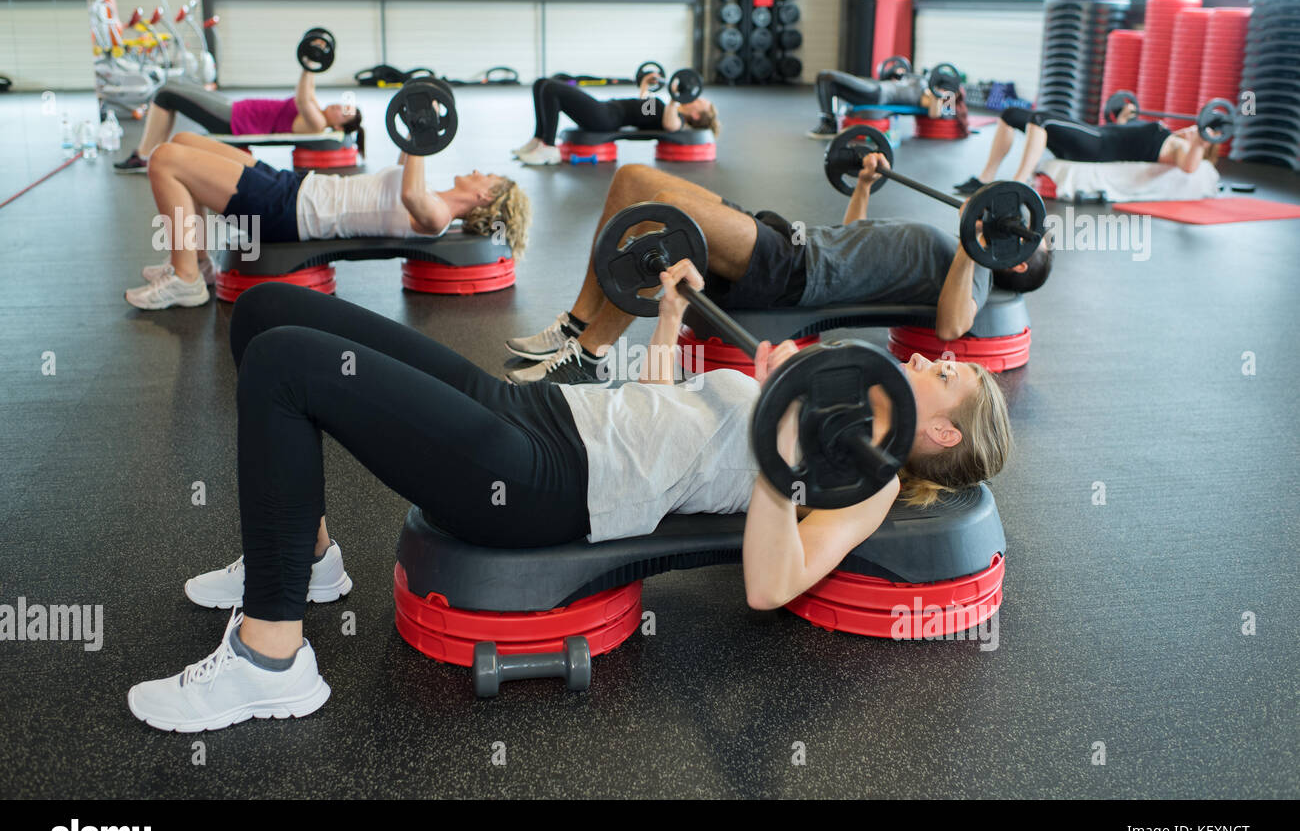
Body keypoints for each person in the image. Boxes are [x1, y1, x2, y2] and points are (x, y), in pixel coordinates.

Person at [125, 270, 1012, 732]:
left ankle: (272, 658)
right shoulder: (846, 396)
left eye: (952, 376)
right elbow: (680, 419)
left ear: (941, 436)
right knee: (269, 313)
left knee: (286, 368)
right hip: (544, 412)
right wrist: (670, 323)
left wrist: (782, 442)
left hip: (546, 484)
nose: (937, 358)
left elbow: (771, 584)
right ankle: (306, 560)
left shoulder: (871, 480)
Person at [505, 161, 1051, 385]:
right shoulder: (963, 250)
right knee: (632, 181)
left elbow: (954, 327)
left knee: (663, 214)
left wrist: (971, 247)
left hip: (793, 273)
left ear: (1016, 258)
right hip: (791, 239)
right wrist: (862, 187)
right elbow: (854, 240)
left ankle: (590, 359)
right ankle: (577, 324)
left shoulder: (975, 271)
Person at [125, 133, 529, 309]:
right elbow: (407, 161)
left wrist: (421, 137)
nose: (479, 169)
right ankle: (195, 260)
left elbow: (409, 192)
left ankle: (187, 281)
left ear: (485, 196)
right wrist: (417, 121)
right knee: (182, 143)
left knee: (163, 160)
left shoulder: (437, 214)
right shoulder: (433, 194)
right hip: (297, 188)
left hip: (288, 213)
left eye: (487, 176)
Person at [113, 55, 364, 172]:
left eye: (343, 113)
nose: (337, 108)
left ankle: (144, 154)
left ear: (339, 128)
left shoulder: (317, 122)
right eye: (342, 105)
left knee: (166, 94)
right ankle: (149, 152)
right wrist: (313, 63)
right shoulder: (319, 111)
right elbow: (309, 88)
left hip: (232, 121)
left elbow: (301, 96)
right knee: (173, 88)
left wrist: (308, 65)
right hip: (233, 109)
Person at [954, 103, 1221, 195]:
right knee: (1011, 114)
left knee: (1041, 120)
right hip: (1096, 135)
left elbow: (1190, 166)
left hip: (1096, 146)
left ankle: (1019, 185)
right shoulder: (1168, 135)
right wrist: (1126, 117)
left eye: (1198, 131)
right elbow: (1126, 134)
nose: (1192, 128)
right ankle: (984, 179)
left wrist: (1201, 140)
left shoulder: (1179, 149)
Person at [513, 69, 720, 166]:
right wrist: (646, 86)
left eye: (702, 101)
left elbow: (670, 125)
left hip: (606, 118)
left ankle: (549, 148)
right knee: (541, 83)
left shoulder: (677, 118)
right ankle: (538, 139)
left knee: (551, 88)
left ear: (696, 114)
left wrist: (675, 99)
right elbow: (644, 109)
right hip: (606, 109)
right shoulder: (664, 106)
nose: (698, 98)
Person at [807, 66, 966, 139]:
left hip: (877, 94)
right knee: (828, 83)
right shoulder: (919, 80)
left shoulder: (931, 95)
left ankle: (828, 123)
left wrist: (941, 94)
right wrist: (898, 73)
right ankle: (829, 123)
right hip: (876, 85)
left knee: (826, 75)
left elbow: (936, 113)